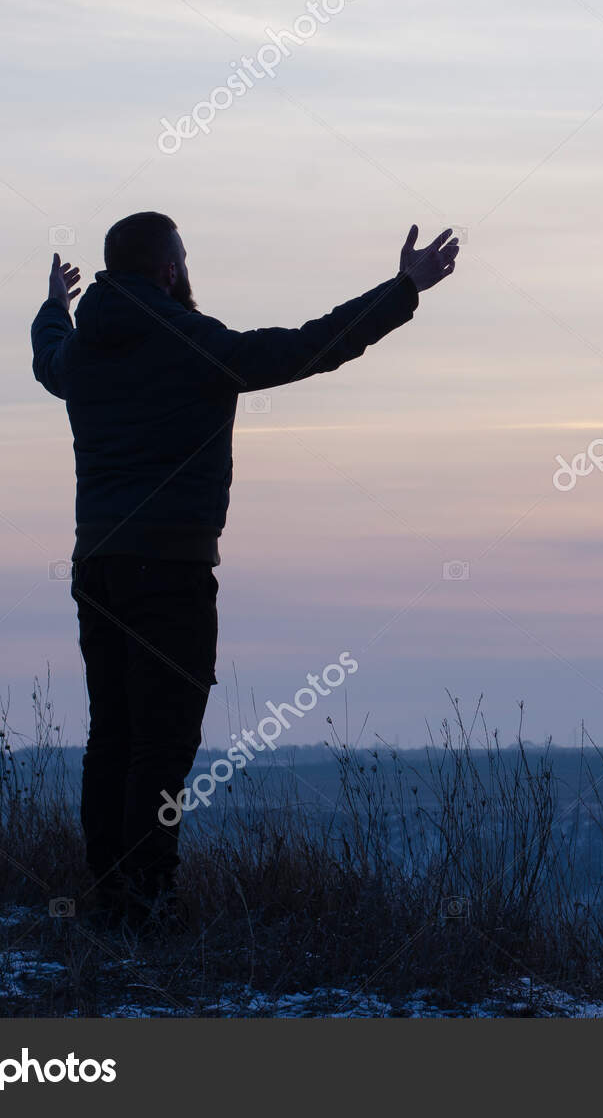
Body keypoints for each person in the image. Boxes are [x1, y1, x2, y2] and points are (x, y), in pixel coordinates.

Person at [31, 212, 458, 926]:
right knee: (162, 745)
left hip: (97, 565)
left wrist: (53, 304)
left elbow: (49, 356)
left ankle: (111, 895)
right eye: (183, 260)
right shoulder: (194, 344)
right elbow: (307, 348)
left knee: (114, 735)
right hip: (169, 569)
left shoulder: (83, 353)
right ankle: (147, 898)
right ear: (168, 269)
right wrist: (403, 290)